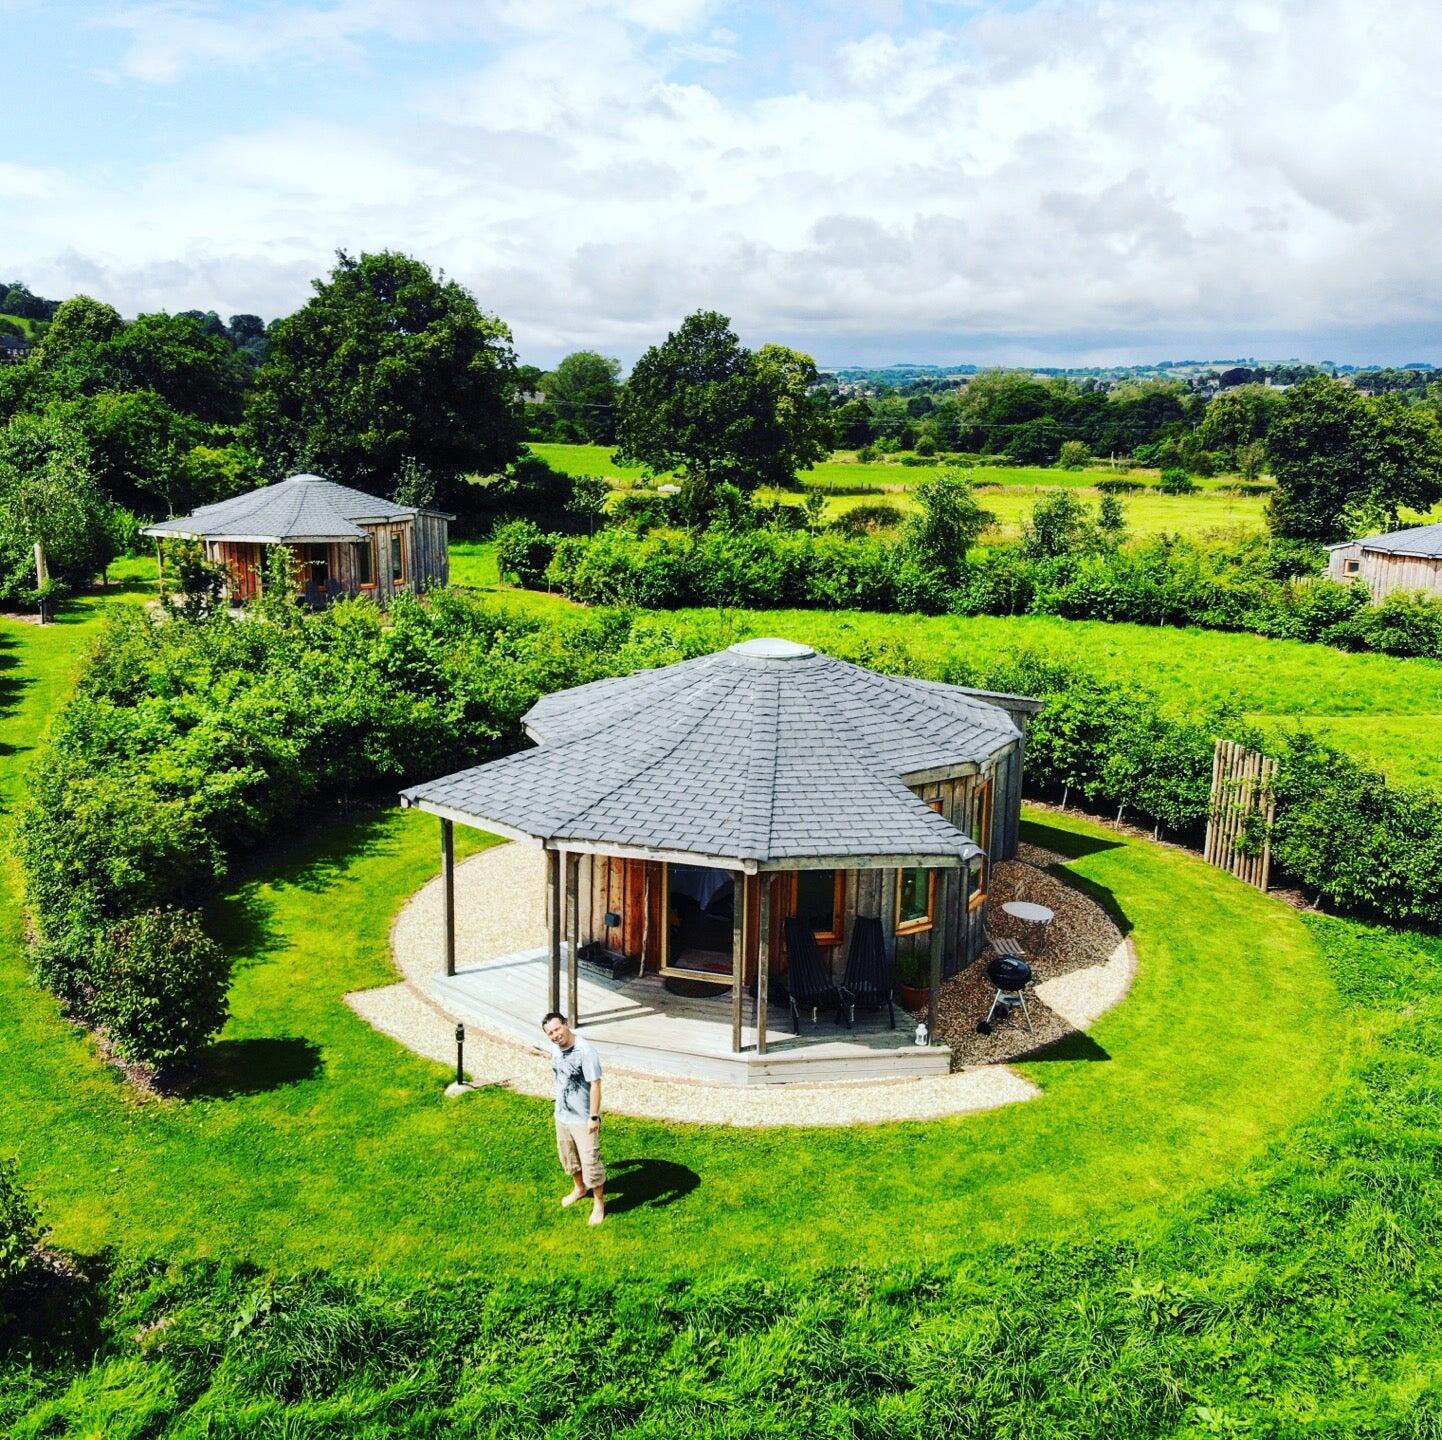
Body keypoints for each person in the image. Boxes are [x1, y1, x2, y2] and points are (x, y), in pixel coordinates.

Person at [541, 1011, 606, 1225]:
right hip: (562, 1115)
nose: (555, 1035)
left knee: (591, 1163)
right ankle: (579, 1188)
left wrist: (594, 1117)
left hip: (583, 1119)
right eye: (550, 1033)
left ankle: (599, 1204)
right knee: (569, 1157)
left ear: (566, 1024)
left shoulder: (585, 1051)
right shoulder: (556, 1050)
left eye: (557, 1029)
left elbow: (596, 1085)